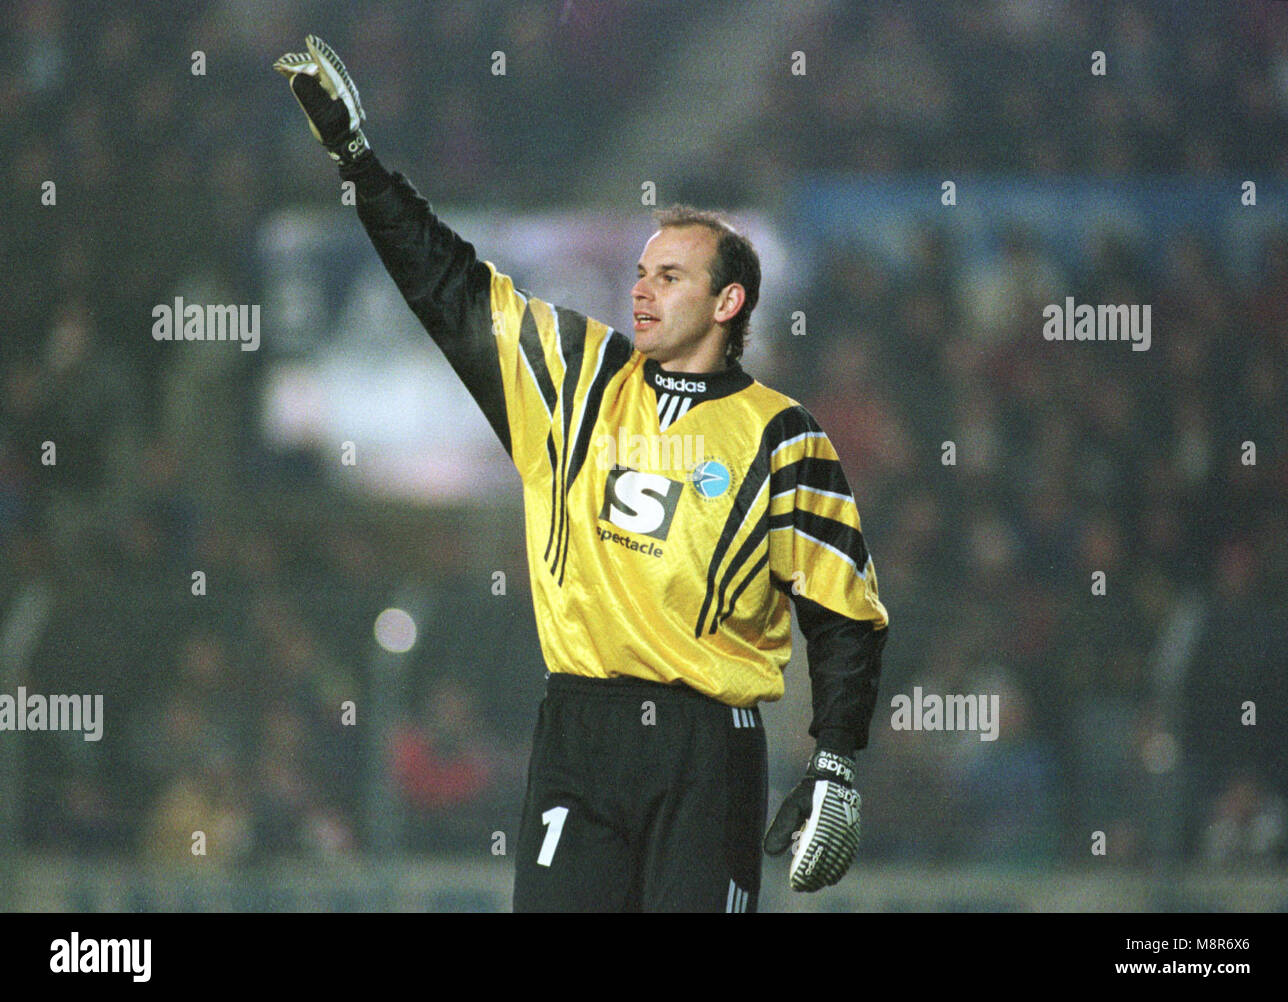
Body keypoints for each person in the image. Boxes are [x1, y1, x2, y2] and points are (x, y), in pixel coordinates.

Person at [274, 35, 888, 912]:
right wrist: (359, 162)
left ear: (728, 302)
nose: (640, 290)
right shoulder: (571, 377)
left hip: (708, 748)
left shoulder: (785, 440)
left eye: (669, 276)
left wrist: (835, 762)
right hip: (579, 729)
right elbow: (447, 283)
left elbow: (846, 616)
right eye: (639, 272)